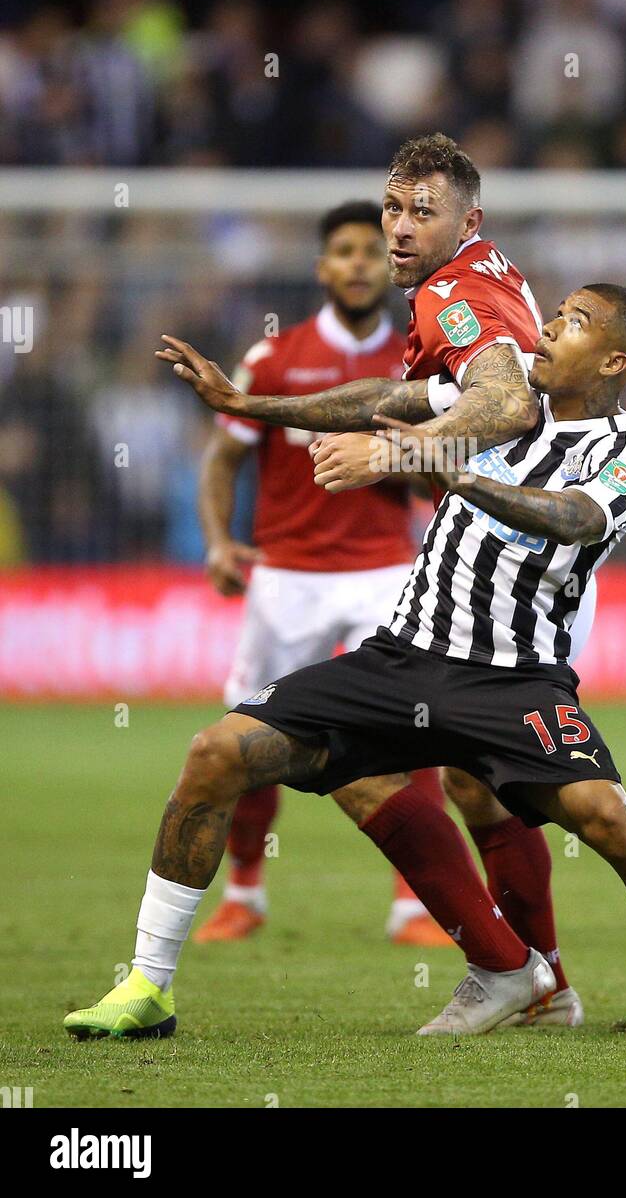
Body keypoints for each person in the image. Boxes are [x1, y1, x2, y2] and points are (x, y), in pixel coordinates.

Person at [65, 280, 626, 1044]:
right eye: (554, 314)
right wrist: (253, 405)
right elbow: (389, 394)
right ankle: (147, 987)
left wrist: (458, 476)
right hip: (402, 658)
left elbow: (577, 519)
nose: (546, 329)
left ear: (614, 361)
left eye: (572, 324)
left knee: (605, 819)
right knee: (218, 751)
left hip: (514, 679)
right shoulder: (502, 389)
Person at [195, 198, 450, 947]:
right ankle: (244, 893)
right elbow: (225, 457)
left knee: (416, 730)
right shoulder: (274, 359)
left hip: (383, 571)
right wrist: (218, 540)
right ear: (322, 267)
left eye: (372, 251)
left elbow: (440, 464)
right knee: (247, 738)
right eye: (344, 251)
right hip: (287, 578)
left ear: (391, 263)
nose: (360, 263)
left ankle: (414, 904)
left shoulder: (416, 359)